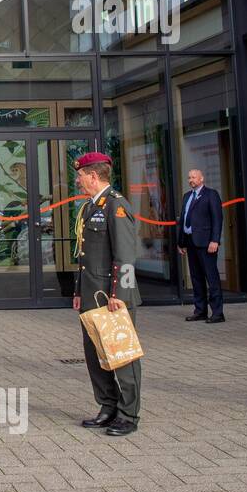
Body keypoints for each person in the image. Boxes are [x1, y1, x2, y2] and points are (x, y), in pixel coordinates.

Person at [72, 151, 143, 437]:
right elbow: (85, 255)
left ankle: (128, 414)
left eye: (80, 176)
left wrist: (120, 295)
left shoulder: (116, 206)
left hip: (112, 296)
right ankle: (107, 406)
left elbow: (125, 256)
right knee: (96, 356)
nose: (77, 181)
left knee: (122, 356)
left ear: (93, 176)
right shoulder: (91, 207)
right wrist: (78, 291)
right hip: (91, 295)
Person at [177, 168, 224, 323]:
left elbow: (217, 219)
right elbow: (183, 219)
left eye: (194, 177)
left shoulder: (211, 195)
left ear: (202, 178)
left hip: (206, 243)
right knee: (196, 278)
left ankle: (217, 313)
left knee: (211, 278)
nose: (191, 180)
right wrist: (181, 242)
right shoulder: (187, 196)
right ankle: (200, 311)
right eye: (189, 177)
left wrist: (215, 240)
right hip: (190, 242)